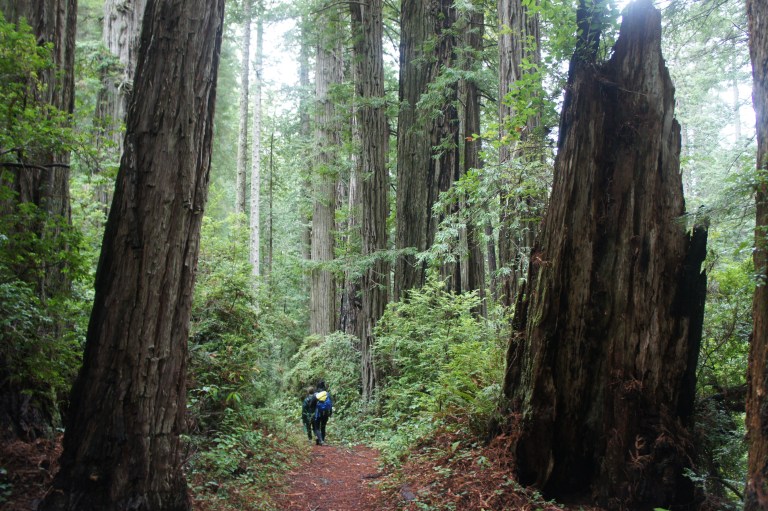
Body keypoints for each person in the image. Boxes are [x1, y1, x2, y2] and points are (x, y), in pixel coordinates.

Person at [311, 380, 333, 445]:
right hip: (326, 413)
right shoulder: (327, 394)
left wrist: (312, 410)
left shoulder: (315, 395)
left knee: (317, 427)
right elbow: (330, 404)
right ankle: (322, 440)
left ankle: (320, 441)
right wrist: (330, 413)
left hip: (318, 413)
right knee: (323, 427)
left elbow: (311, 405)